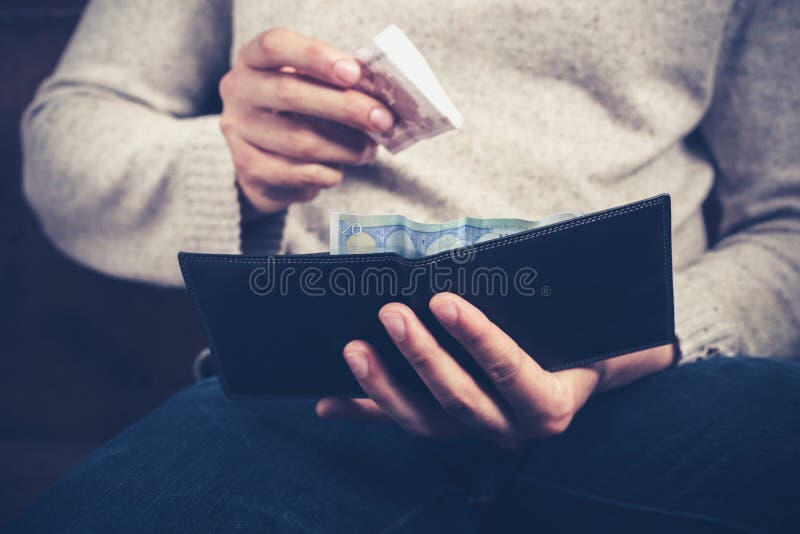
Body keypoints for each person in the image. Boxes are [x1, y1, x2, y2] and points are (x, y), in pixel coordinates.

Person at [13, 0, 800, 531]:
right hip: (315, 389)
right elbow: (66, 139)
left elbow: (787, 223)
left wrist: (646, 342)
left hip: (653, 382)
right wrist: (237, 162)